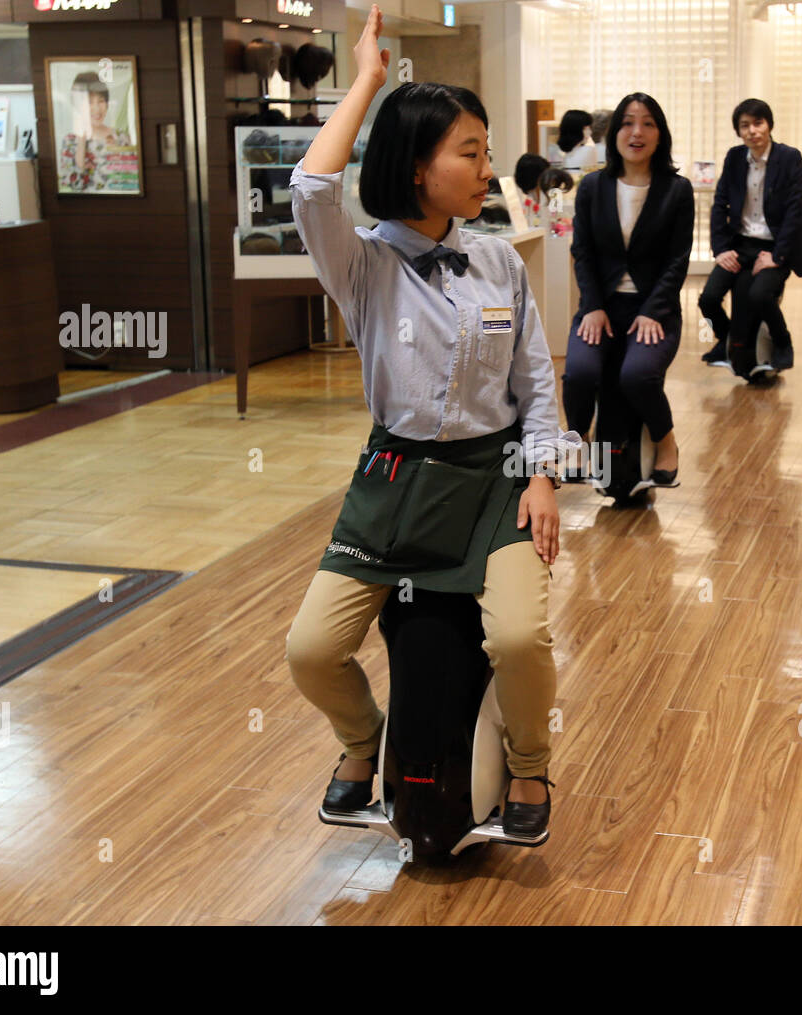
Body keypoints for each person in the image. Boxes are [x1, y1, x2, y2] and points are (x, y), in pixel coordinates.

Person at [286, 5, 578, 839]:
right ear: (418, 167)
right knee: (311, 649)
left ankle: (528, 765)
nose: (489, 169)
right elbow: (310, 187)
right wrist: (370, 79)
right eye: (471, 153)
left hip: (496, 480)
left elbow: (533, 380)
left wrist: (545, 474)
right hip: (396, 480)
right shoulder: (364, 265)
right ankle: (359, 742)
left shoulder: (496, 258)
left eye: (486, 152)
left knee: (520, 637)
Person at [562, 92, 693, 485]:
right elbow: (582, 253)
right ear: (614, 132)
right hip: (601, 306)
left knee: (637, 375)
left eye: (648, 123)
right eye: (627, 122)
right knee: (579, 373)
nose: (637, 132)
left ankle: (665, 439)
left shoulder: (676, 190)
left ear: (660, 134)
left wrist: (654, 310)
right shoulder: (591, 188)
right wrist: (592, 306)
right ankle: (579, 440)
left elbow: (677, 260)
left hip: (655, 310)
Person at [699, 98, 802, 381]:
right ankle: (725, 340)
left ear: (769, 125)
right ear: (738, 131)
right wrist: (721, 249)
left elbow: (794, 212)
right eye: (744, 125)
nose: (752, 131)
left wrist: (777, 256)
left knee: (759, 295)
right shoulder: (735, 157)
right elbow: (720, 204)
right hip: (740, 244)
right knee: (708, 299)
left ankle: (783, 341)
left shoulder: (789, 158)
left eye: (758, 123)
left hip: (775, 246)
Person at [58, 71, 133, 193]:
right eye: (89, 102)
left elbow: (131, 181)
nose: (97, 108)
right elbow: (74, 185)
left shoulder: (121, 137)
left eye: (101, 101)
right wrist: (82, 141)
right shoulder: (70, 141)